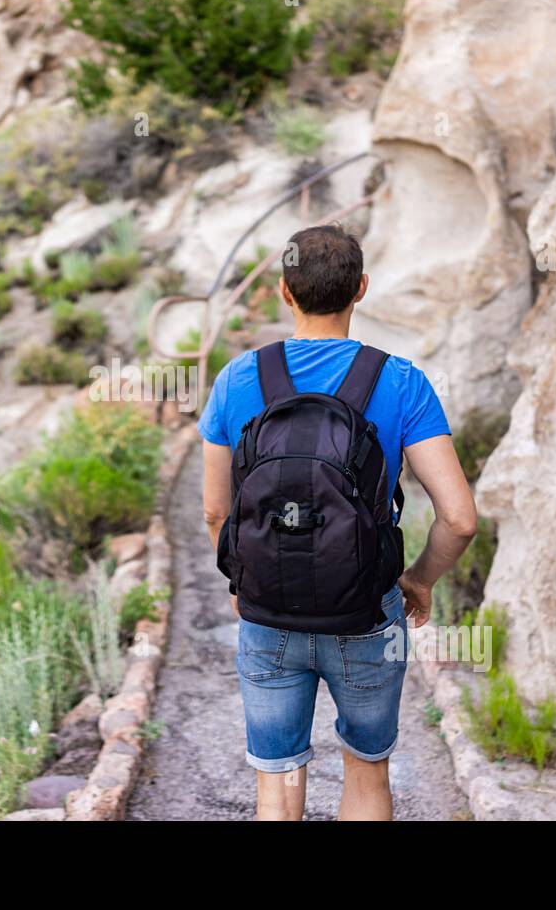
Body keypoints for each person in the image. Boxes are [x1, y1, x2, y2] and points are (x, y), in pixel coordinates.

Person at [198, 224, 478, 821]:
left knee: (279, 780)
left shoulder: (236, 380)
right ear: (362, 289)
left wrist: (239, 581)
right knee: (367, 770)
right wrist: (419, 581)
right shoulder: (401, 381)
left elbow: (216, 510)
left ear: (283, 291)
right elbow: (459, 518)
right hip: (366, 614)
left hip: (267, 612)